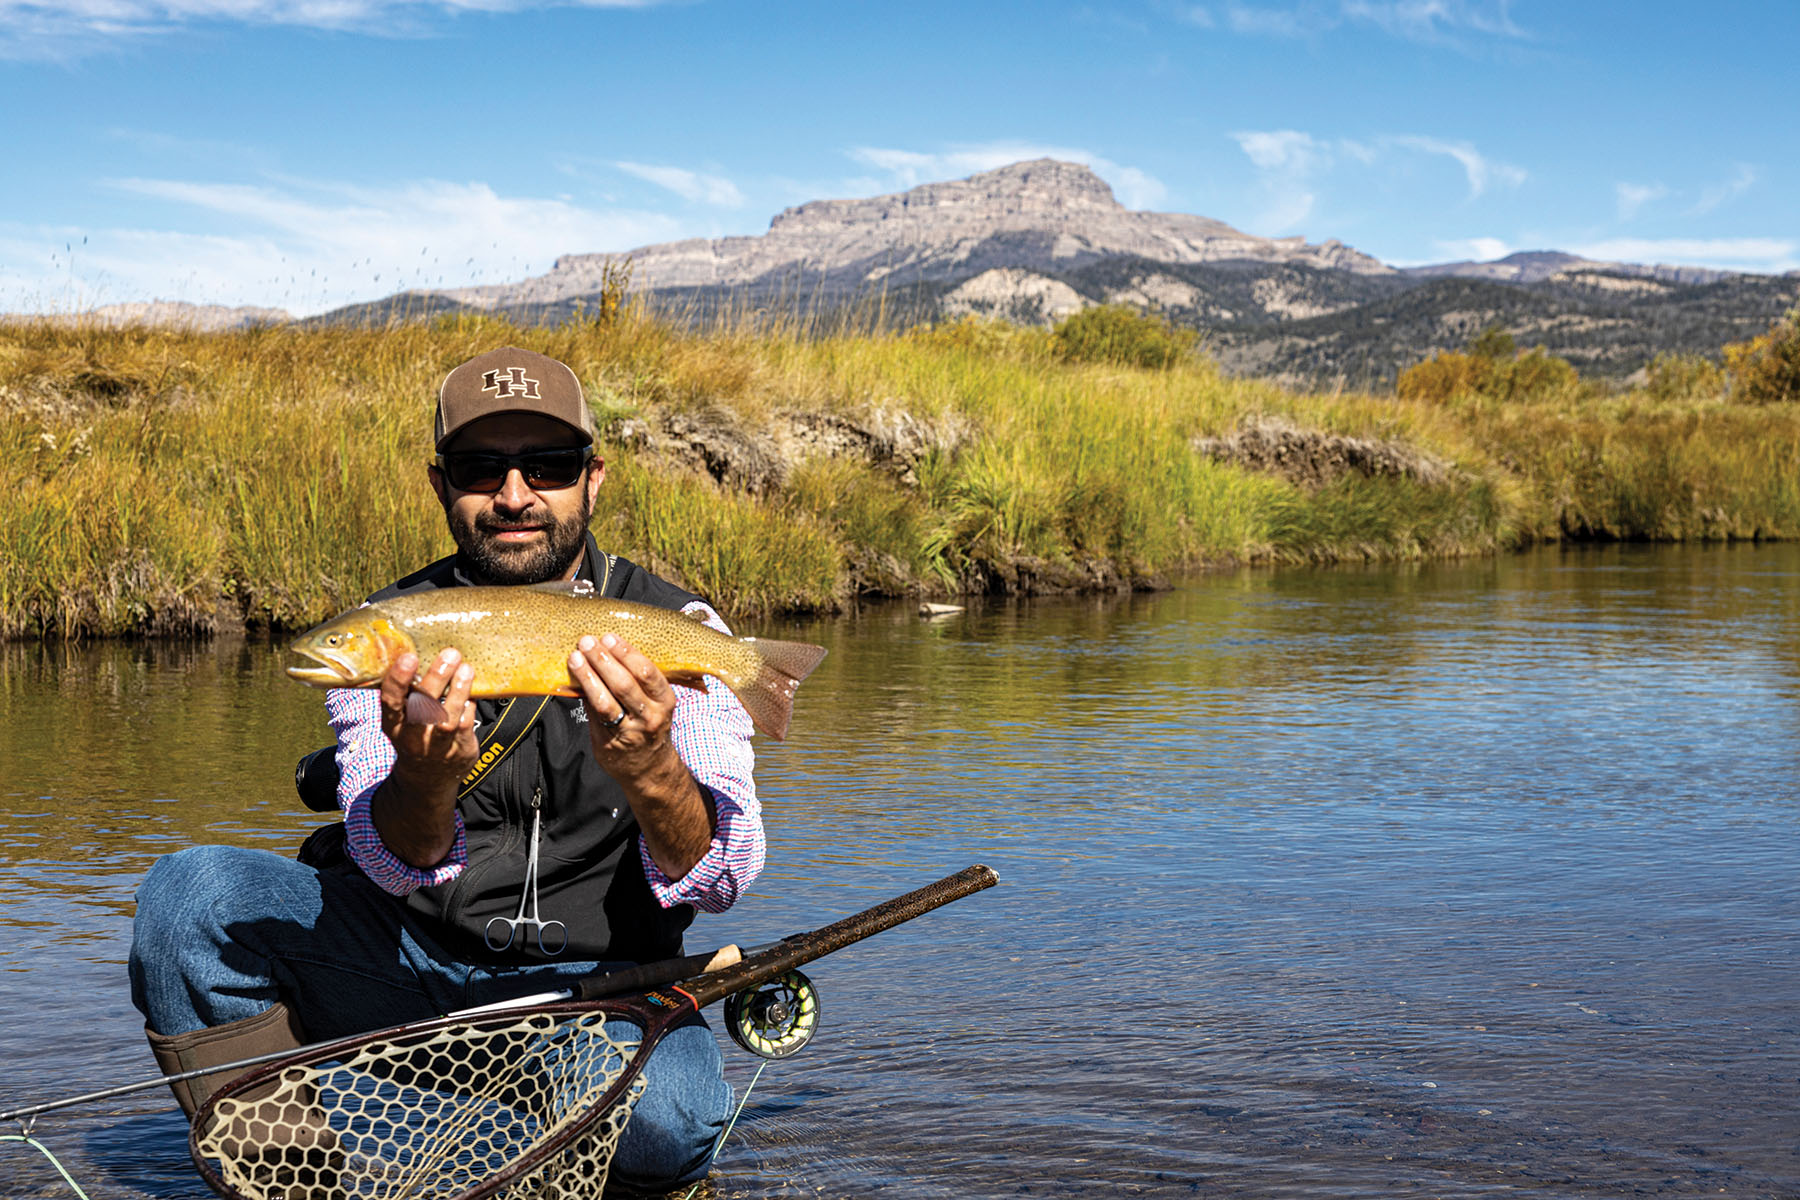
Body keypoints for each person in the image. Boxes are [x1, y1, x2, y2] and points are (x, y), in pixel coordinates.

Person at [129, 346, 762, 1194]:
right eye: (479, 468)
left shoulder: (681, 630)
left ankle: (387, 1129)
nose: (513, 495)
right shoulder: (390, 634)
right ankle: (308, 1164)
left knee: (669, 1128)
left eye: (547, 466)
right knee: (189, 901)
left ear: (593, 479)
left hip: (599, 992)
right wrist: (424, 777)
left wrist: (653, 770)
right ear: (441, 485)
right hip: (407, 966)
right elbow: (388, 863)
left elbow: (722, 878)